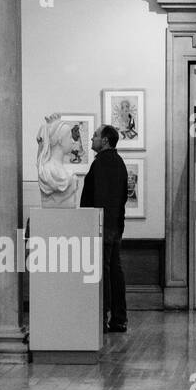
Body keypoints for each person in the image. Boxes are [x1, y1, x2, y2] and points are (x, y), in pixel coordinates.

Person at [80, 123, 128, 333]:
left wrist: (90, 224)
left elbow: (95, 197)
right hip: (115, 226)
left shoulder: (100, 164)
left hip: (101, 226)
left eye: (96, 136)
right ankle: (119, 318)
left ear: (105, 140)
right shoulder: (119, 163)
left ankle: (102, 318)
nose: (92, 139)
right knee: (115, 271)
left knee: (104, 273)